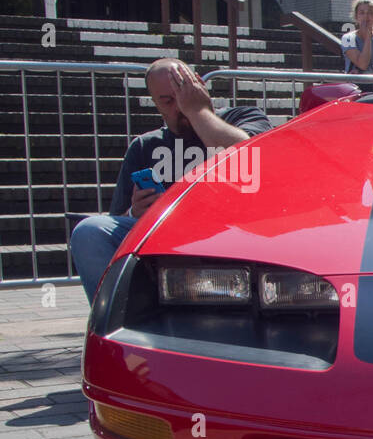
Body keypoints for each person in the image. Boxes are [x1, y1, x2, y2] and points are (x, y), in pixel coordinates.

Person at [69, 58, 272, 302]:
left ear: (199, 87)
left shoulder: (243, 117)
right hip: (166, 238)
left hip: (228, 232)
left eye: (183, 93)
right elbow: (117, 218)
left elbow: (246, 156)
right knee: (89, 232)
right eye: (168, 101)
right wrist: (135, 213)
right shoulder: (145, 145)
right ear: (155, 104)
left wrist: (198, 112)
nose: (180, 107)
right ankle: (123, 318)